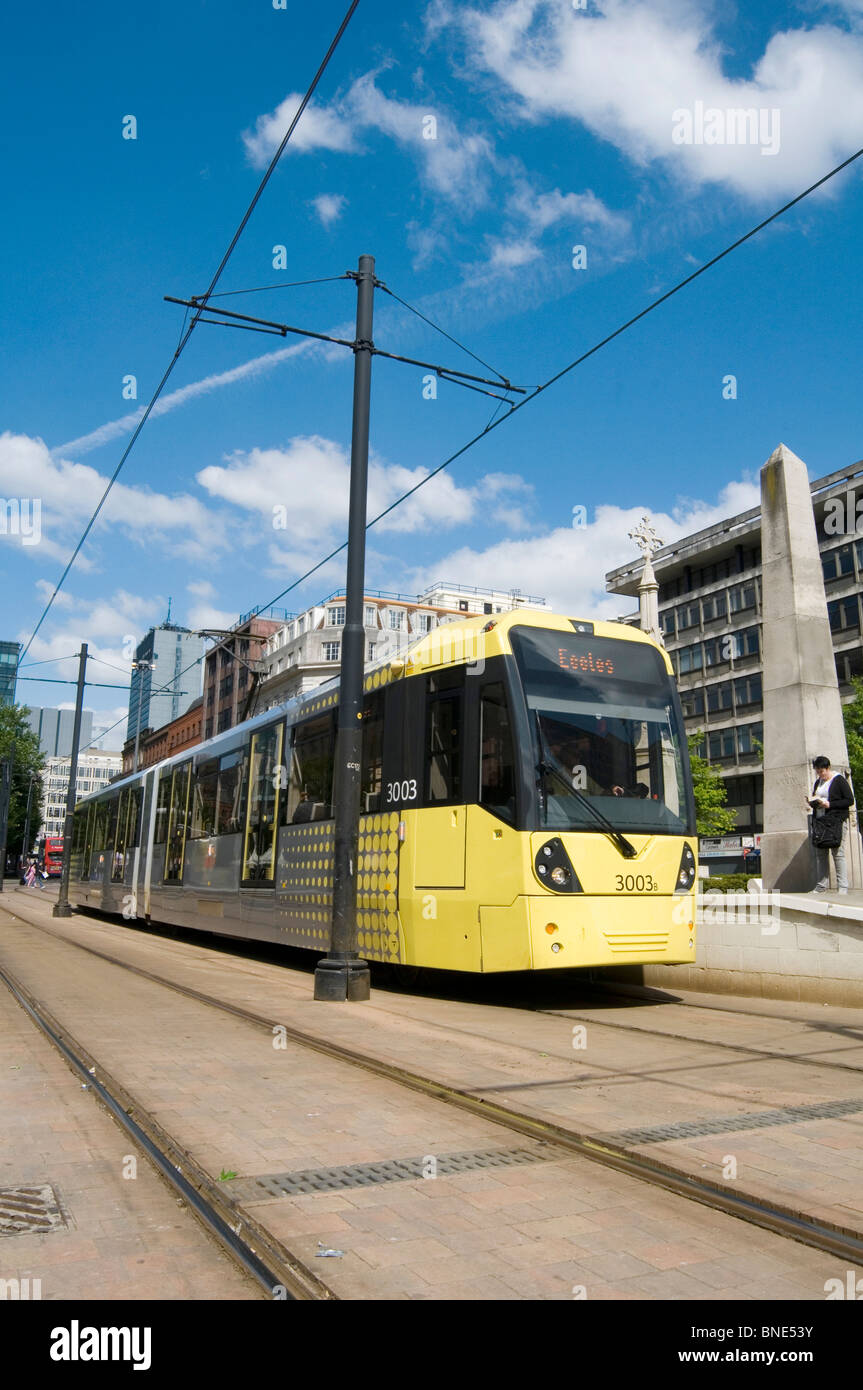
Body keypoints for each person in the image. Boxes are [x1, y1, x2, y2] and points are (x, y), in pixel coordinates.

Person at [807, 755, 853, 894]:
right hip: (821, 821)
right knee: (820, 853)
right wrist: (813, 802)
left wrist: (830, 804)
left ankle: (842, 886)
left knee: (837, 853)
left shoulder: (839, 780)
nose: (820, 774)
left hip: (836, 821)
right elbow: (817, 797)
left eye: (822, 771)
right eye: (818, 772)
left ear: (828, 768)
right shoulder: (818, 782)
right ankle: (821, 886)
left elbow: (849, 800)